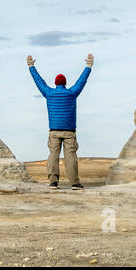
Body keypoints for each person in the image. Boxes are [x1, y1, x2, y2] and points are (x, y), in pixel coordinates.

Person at [27, 53, 93, 189]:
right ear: (65, 83)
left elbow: (39, 81)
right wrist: (88, 66)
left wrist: (31, 66)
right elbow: (82, 81)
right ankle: (74, 182)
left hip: (54, 131)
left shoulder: (49, 93)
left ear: (56, 83)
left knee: (53, 156)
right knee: (71, 157)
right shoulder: (72, 93)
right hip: (69, 131)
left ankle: (53, 182)